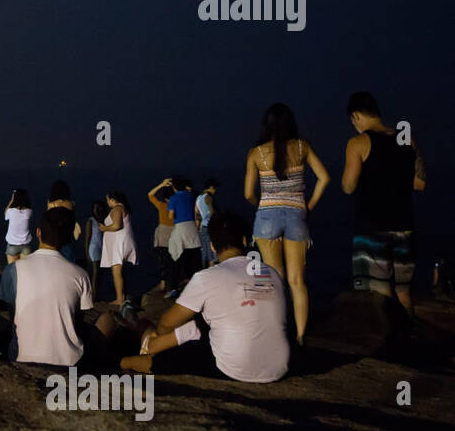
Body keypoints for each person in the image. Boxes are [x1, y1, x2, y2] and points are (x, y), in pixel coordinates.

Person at [120, 210, 290, 383]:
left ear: (213, 247)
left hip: (235, 366)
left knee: (168, 356)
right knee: (207, 322)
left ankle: (124, 361)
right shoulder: (271, 273)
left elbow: (166, 324)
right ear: (245, 240)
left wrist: (160, 337)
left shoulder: (207, 277)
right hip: (279, 366)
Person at [244, 103, 331, 345]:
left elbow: (248, 194)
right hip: (297, 216)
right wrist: (308, 205)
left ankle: (277, 332)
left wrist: (264, 206)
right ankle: (301, 336)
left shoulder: (256, 153)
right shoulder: (303, 147)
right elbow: (325, 178)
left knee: (274, 279)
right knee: (297, 281)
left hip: (266, 218)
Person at [341, 91, 425, 318]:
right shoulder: (405, 138)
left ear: (356, 116)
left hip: (372, 229)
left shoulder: (358, 142)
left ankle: (387, 349)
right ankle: (406, 342)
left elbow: (348, 186)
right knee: (404, 292)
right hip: (404, 227)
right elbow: (419, 183)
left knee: (379, 296)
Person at [9, 207, 118, 367]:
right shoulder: (80, 274)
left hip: (19, 355)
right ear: (68, 239)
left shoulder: (13, 270)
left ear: (38, 233)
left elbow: (13, 313)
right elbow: (78, 319)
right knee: (108, 319)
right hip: (67, 361)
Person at [98, 191, 138, 309]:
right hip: (123, 241)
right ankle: (123, 296)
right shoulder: (123, 208)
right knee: (120, 271)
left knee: (116, 271)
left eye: (107, 200)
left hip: (119, 243)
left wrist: (104, 228)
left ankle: (120, 299)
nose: (107, 202)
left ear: (112, 199)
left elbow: (117, 225)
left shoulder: (117, 209)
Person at [166, 176, 202, 296]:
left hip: (181, 228)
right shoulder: (191, 196)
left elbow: (171, 216)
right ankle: (197, 284)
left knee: (175, 257)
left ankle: (173, 288)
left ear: (174, 187)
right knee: (194, 257)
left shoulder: (173, 198)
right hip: (192, 227)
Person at [147, 179, 176, 292]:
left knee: (163, 263)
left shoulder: (161, 205)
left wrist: (162, 184)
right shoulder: (177, 207)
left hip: (162, 238)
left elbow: (150, 194)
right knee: (173, 263)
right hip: (174, 238)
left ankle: (164, 285)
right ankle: (171, 285)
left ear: (164, 197)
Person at [46, 180, 83, 262]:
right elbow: (73, 219)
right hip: (67, 237)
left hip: (54, 238)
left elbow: (47, 221)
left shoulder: (51, 204)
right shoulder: (71, 204)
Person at [3, 188, 35, 262]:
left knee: (13, 271)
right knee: (25, 272)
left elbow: (5, 215)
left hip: (12, 246)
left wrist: (11, 200)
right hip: (26, 247)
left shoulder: (11, 212)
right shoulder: (29, 212)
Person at [85, 200, 109, 297]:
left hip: (101, 247)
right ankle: (93, 296)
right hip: (93, 247)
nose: (96, 210)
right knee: (95, 272)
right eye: (94, 208)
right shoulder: (91, 221)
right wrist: (87, 254)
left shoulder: (104, 220)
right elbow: (87, 238)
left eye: (97, 208)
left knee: (99, 273)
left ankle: (96, 293)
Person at [195, 179, 219, 268]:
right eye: (215, 189)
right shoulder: (208, 197)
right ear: (211, 188)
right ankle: (213, 274)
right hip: (210, 226)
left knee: (205, 252)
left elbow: (197, 214)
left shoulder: (198, 198)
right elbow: (212, 213)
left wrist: (198, 228)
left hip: (203, 227)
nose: (215, 191)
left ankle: (204, 272)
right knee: (213, 253)